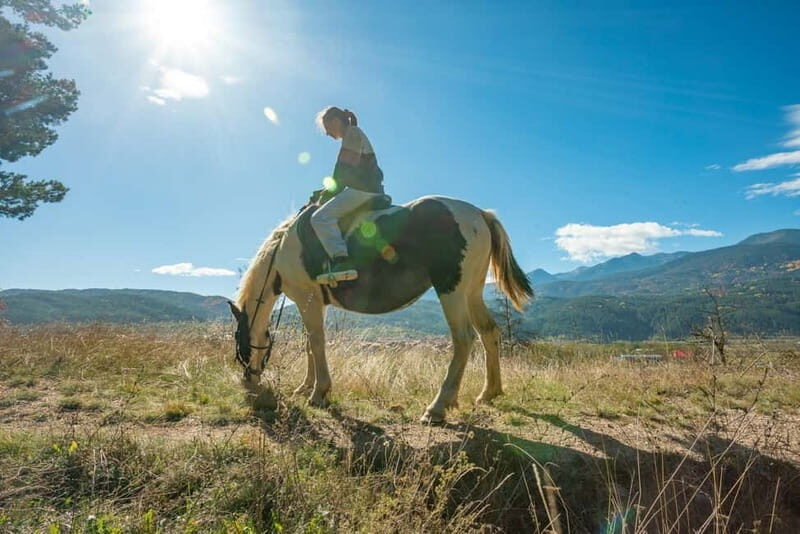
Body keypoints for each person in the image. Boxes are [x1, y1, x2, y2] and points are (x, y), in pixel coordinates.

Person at [310, 107, 385, 280]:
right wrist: (324, 191)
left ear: (336, 121)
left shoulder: (352, 134)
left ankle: (341, 259)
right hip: (368, 188)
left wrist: (324, 198)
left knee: (319, 218)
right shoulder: (354, 133)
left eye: (327, 128)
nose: (328, 134)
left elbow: (343, 172)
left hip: (363, 190)